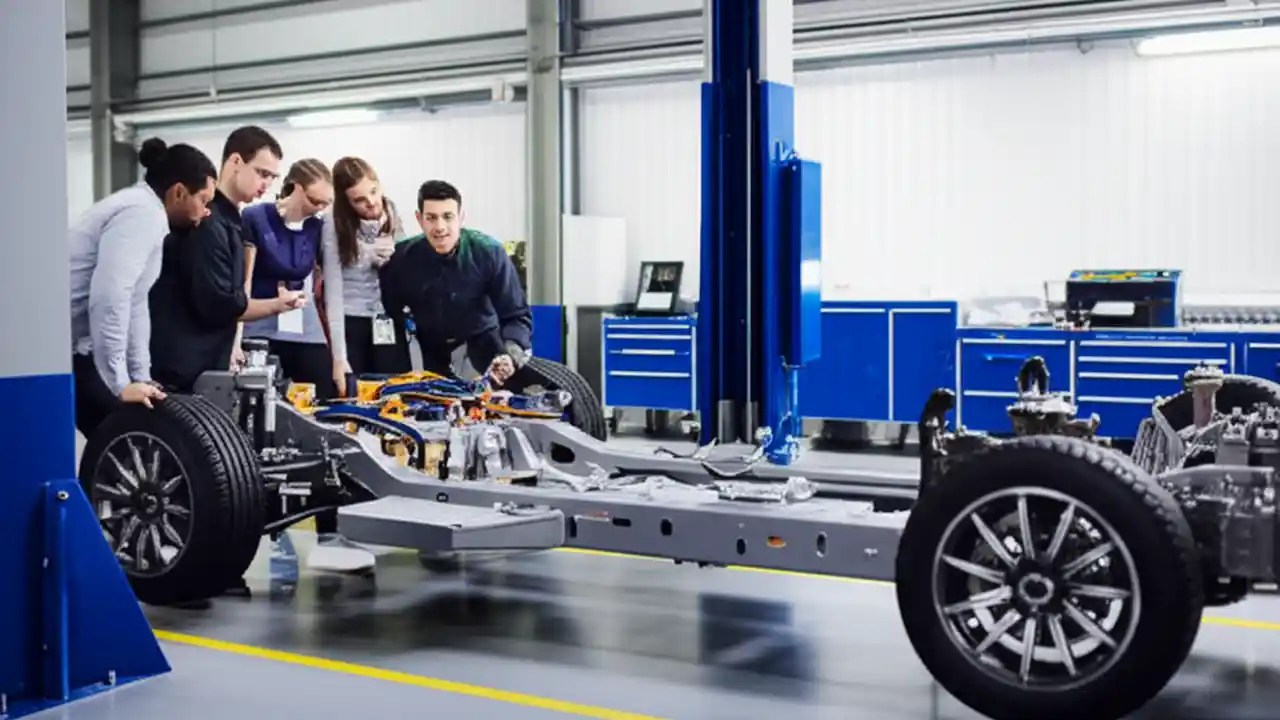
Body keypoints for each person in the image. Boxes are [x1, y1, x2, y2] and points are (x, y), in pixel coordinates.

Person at [68, 137, 218, 437]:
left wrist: (141, 376)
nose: (206, 212)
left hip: (71, 347)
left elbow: (136, 303)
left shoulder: (147, 212)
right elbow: (110, 297)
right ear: (178, 192)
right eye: (203, 200)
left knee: (129, 431)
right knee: (124, 437)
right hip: (50, 350)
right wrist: (120, 385)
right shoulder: (142, 214)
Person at [149, 125, 306, 391]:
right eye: (261, 173)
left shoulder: (233, 222)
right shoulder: (207, 220)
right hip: (183, 370)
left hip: (206, 364)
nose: (266, 184)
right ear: (235, 162)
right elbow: (220, 303)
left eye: (272, 177)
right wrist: (275, 305)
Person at [379, 180, 532, 384]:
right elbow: (390, 315)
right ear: (419, 219)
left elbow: (516, 315)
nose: (440, 227)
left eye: (448, 217)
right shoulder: (401, 259)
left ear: (461, 217)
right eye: (431, 218)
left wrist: (510, 356)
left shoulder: (490, 253)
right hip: (428, 352)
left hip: (485, 346)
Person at [240, 158, 335, 396]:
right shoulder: (255, 217)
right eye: (314, 201)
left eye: (326, 203)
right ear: (296, 187)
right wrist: (234, 340)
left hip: (303, 324)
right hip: (259, 324)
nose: (319, 208)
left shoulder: (317, 226)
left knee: (323, 391)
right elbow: (243, 284)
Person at [320, 156, 411, 396]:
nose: (371, 203)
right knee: (355, 394)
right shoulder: (332, 223)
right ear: (346, 202)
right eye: (359, 200)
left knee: (397, 391)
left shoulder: (390, 210)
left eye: (373, 191)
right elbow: (334, 291)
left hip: (387, 318)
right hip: (351, 319)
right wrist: (339, 357)